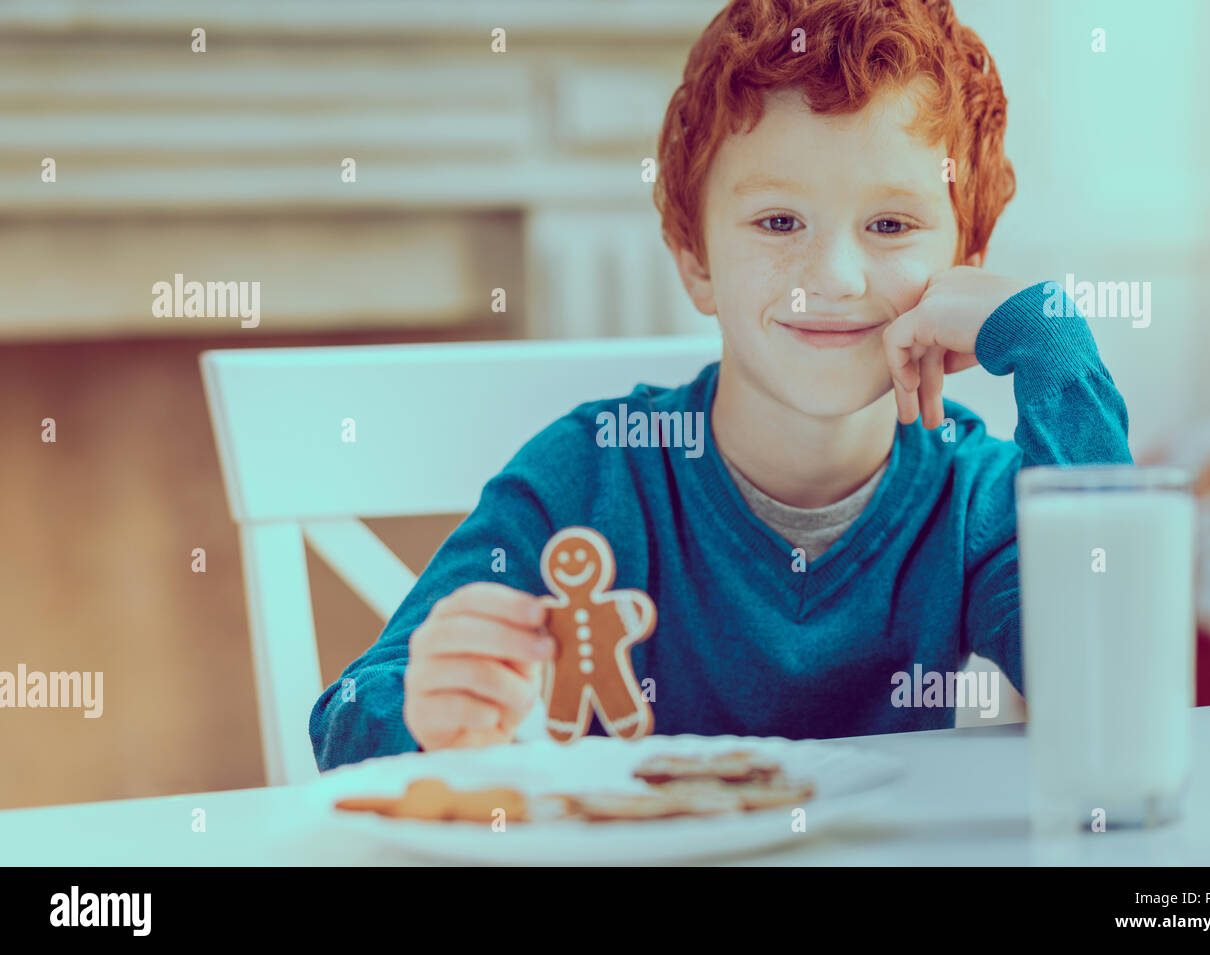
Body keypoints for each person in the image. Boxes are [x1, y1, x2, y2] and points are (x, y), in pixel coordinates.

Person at [310, 0, 1131, 770]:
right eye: (779, 222)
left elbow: (1111, 690)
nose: (835, 277)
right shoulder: (590, 475)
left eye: (890, 225)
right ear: (696, 262)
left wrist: (1047, 340)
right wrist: (427, 716)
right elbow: (347, 714)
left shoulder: (973, 501)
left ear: (964, 264)